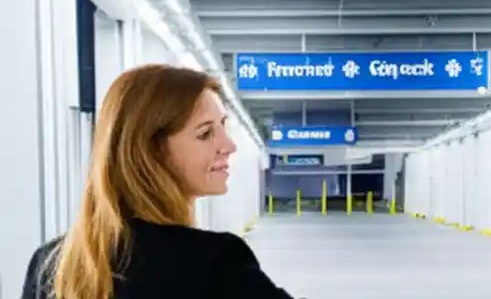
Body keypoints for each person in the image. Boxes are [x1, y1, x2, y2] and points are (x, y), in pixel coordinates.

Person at [22, 64, 294, 299]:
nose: (228, 145)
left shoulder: (52, 263)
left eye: (223, 126)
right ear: (151, 150)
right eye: (205, 133)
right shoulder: (214, 263)